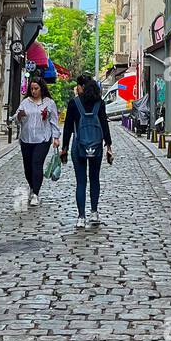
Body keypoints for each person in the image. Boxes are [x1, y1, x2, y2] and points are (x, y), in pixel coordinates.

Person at [61, 75, 112, 228]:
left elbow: (68, 128)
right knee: (95, 178)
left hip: (79, 146)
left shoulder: (73, 103)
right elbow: (104, 125)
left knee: (81, 181)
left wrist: (64, 148)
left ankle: (81, 217)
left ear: (81, 86)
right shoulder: (99, 103)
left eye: (77, 86)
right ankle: (94, 212)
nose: (76, 88)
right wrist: (109, 145)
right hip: (96, 146)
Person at [15, 78, 60, 206]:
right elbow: (16, 119)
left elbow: (54, 121)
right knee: (28, 167)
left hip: (43, 139)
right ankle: (32, 186)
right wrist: (19, 116)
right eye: (32, 89)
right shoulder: (25, 103)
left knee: (37, 164)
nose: (34, 91)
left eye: (36, 89)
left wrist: (56, 137)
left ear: (41, 89)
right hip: (26, 138)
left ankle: (36, 194)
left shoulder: (49, 103)